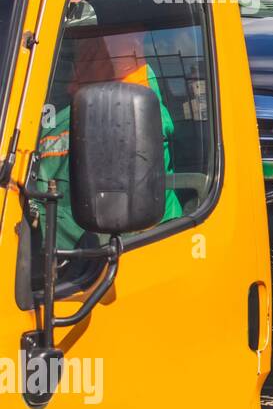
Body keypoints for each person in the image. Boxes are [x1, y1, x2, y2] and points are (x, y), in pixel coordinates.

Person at [34, 29, 180, 251]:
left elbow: (102, 215)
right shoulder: (47, 108)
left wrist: (29, 219)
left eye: (90, 54)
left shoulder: (128, 114)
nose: (77, 59)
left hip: (135, 251)